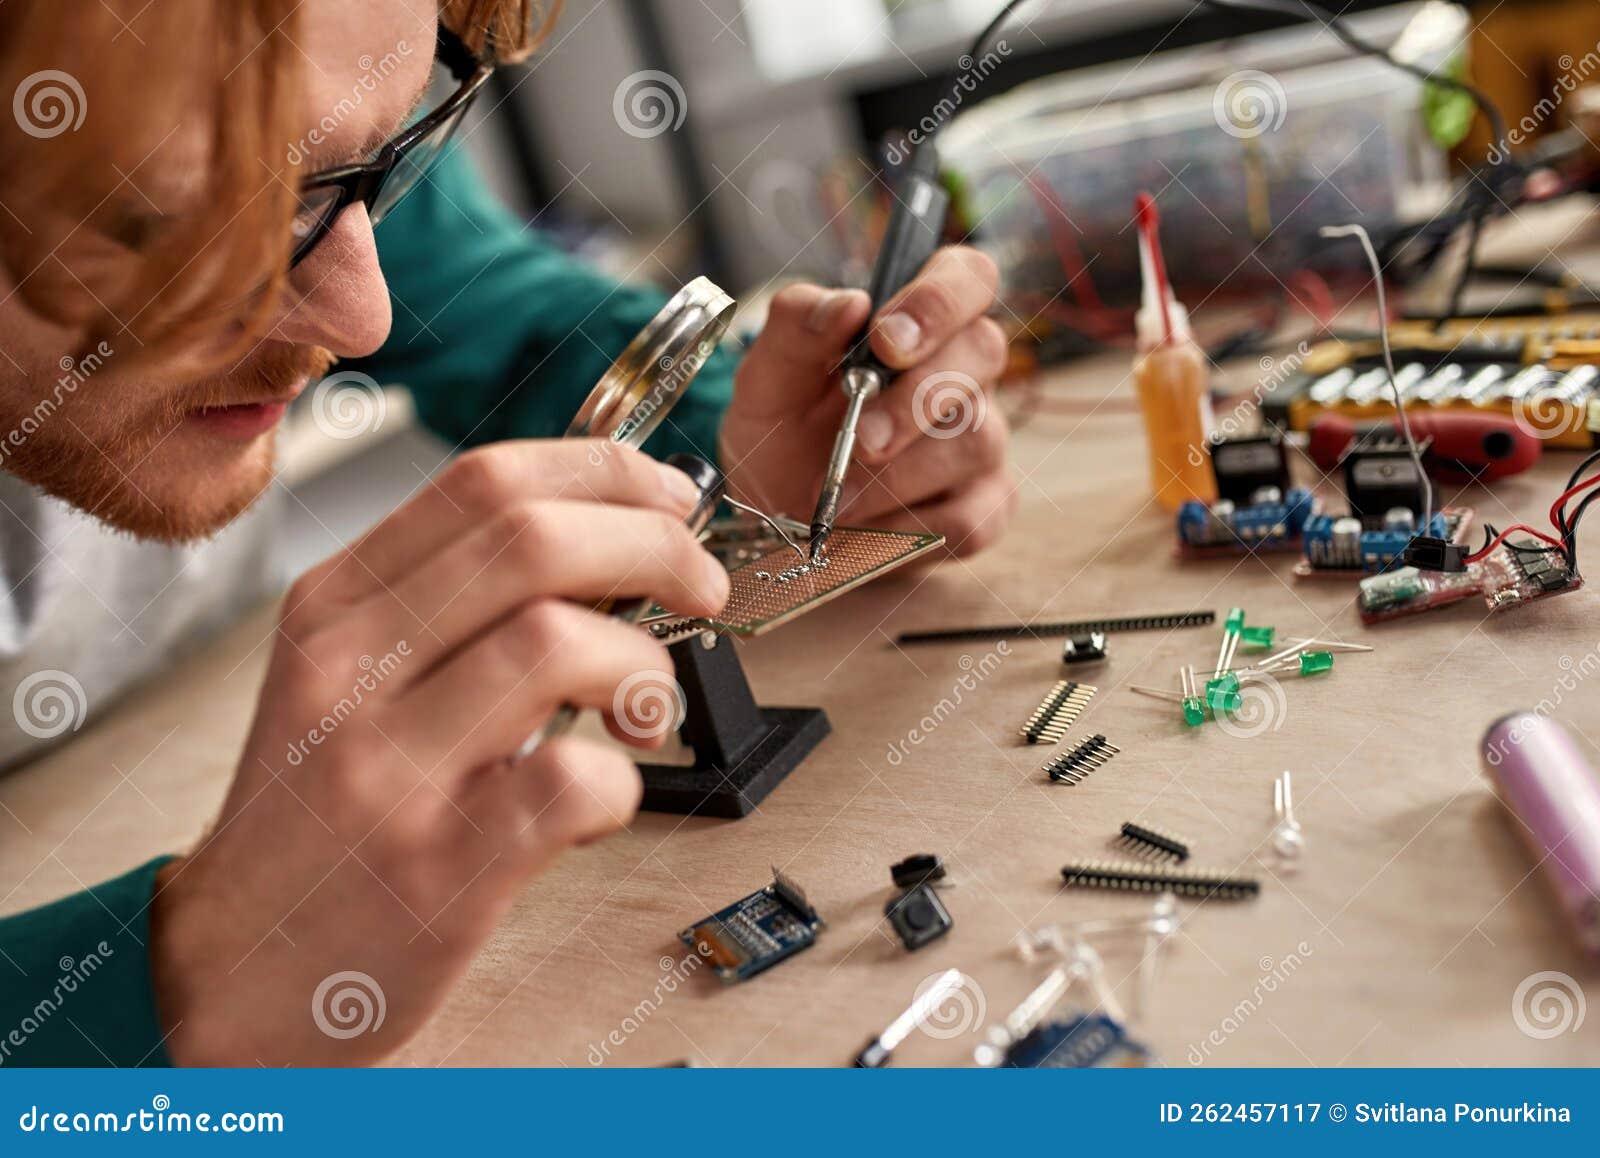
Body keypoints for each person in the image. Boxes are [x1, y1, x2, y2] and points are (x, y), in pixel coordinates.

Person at [0, 0, 1015, 1066]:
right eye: (202, 210)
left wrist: (758, 448)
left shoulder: (286, 89)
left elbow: (514, 324)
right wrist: (160, 982)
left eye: (376, 164)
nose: (362, 320)